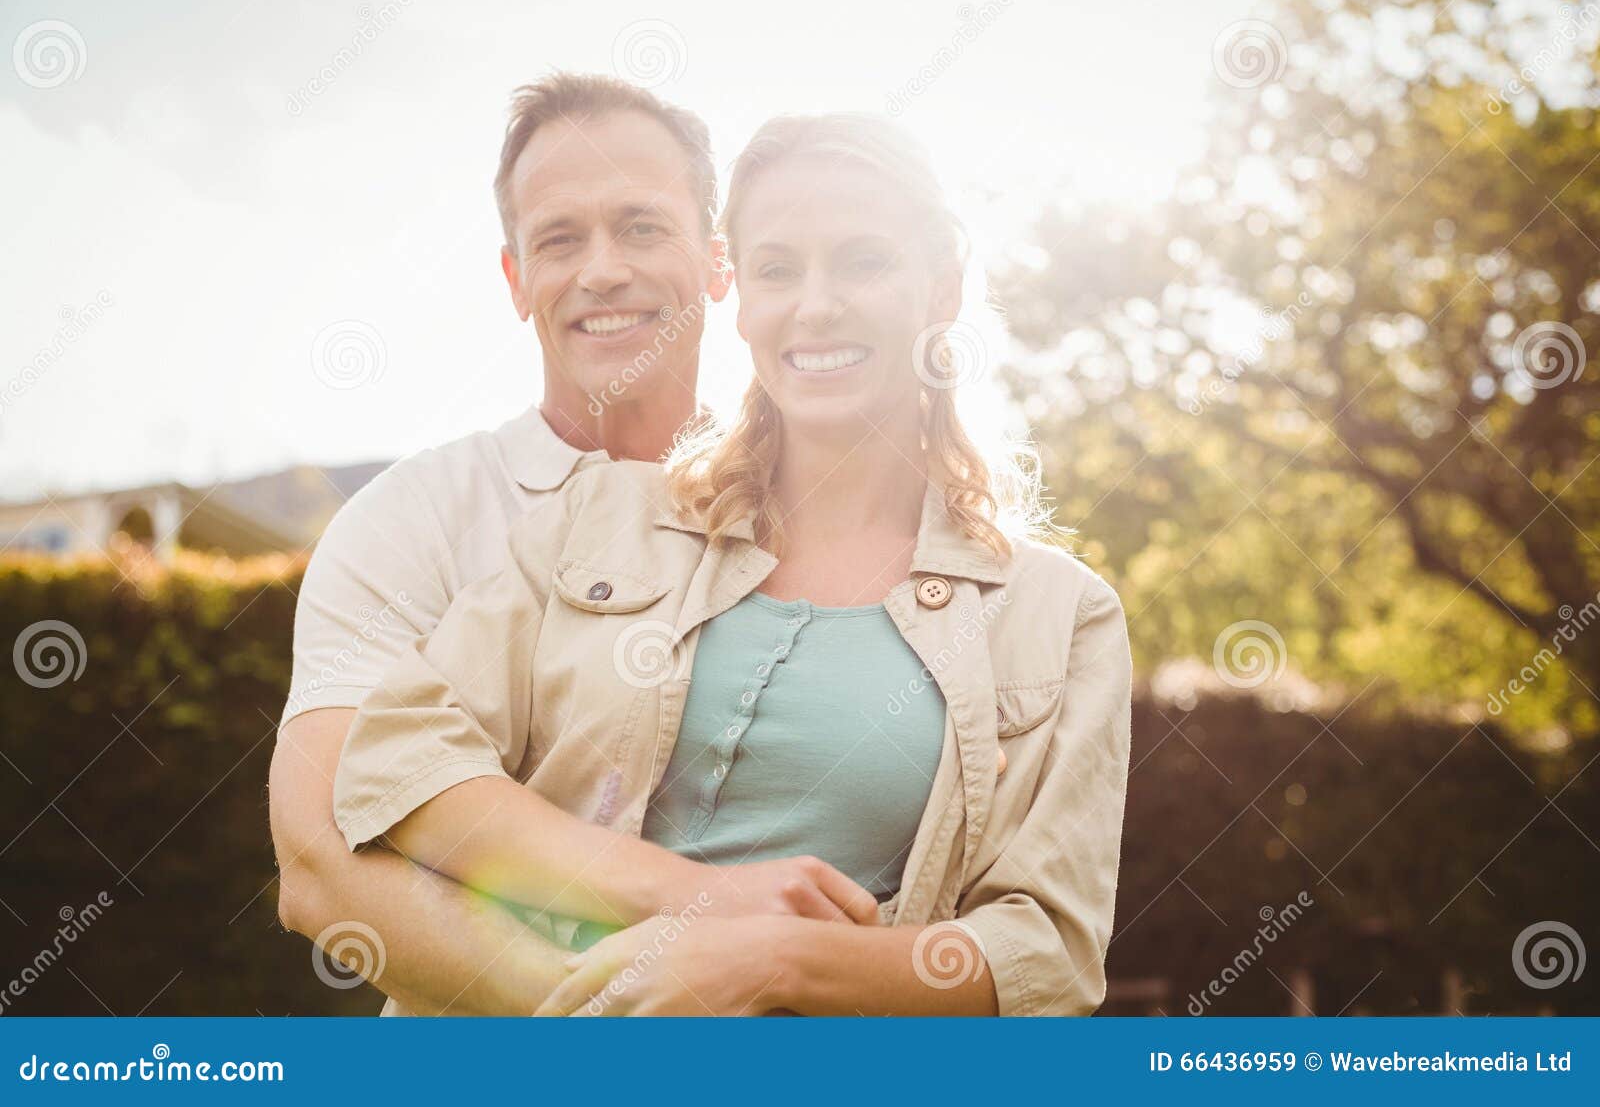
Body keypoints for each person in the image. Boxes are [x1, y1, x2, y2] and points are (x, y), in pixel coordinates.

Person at [331, 113, 1134, 1015]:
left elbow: (1045, 956)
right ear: (738, 293)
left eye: (863, 261)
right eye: (779, 268)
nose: (815, 304)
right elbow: (400, 759)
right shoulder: (608, 514)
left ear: (941, 287)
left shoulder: (1059, 614)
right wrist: (685, 899)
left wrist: (778, 962)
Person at [269, 74, 864, 1017]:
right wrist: (619, 1020)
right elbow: (321, 862)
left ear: (719, 262)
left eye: (640, 227)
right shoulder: (412, 518)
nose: (601, 270)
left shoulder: (846, 509)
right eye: (558, 239)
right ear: (515, 281)